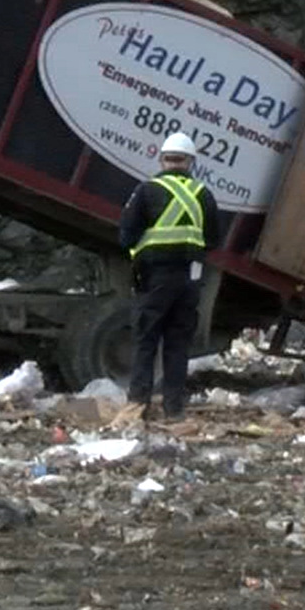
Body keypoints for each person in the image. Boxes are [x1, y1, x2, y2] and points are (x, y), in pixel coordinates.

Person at [115, 131, 223, 421]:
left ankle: (138, 402)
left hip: (155, 278)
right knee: (177, 343)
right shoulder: (204, 195)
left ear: (162, 159)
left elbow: (126, 236)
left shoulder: (146, 191)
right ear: (191, 162)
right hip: (189, 279)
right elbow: (213, 240)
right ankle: (174, 408)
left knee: (146, 339)